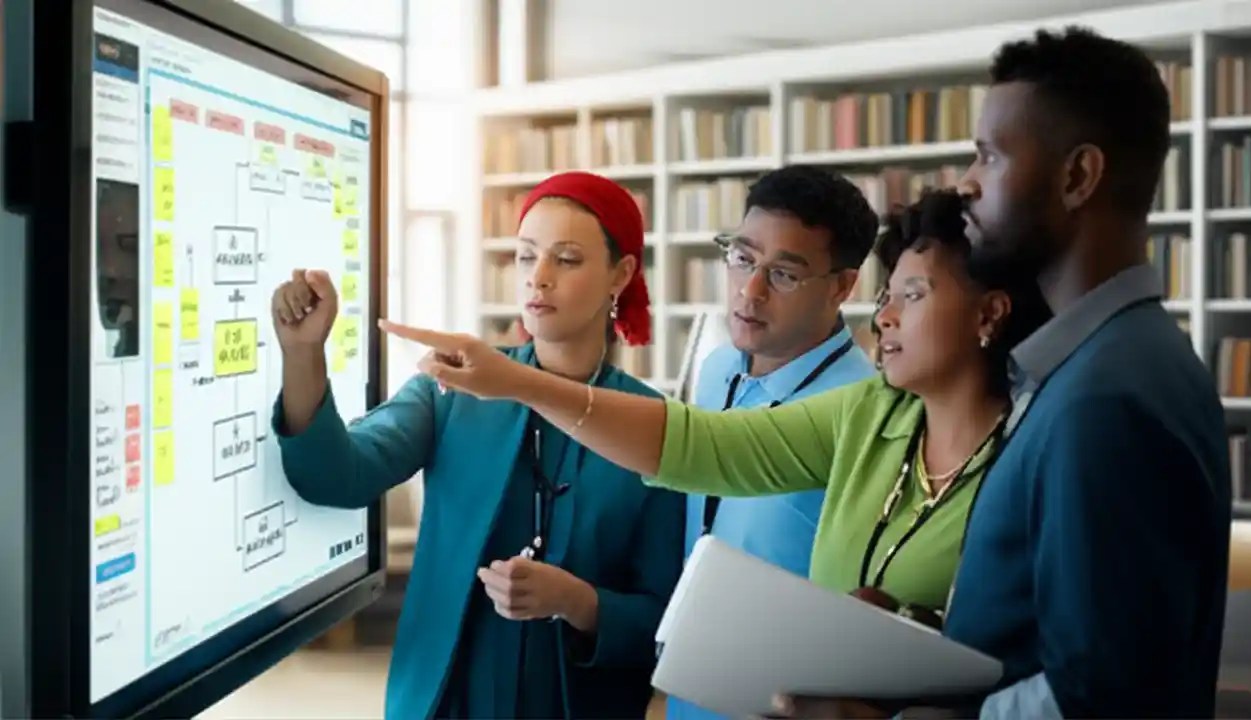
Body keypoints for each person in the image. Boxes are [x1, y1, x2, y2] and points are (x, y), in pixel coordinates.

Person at [379, 186, 1051, 658]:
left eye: (913, 295)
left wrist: (517, 382)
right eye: (740, 259)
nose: (886, 318)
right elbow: (698, 445)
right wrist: (520, 380)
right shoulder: (848, 406)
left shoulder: (1037, 452)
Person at [786, 26, 1235, 719]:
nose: (967, 183)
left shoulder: (1107, 395)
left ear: (1077, 176)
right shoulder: (1104, 364)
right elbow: (1074, 637)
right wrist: (920, 635)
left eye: (990, 157)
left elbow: (1103, 694)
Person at [270, 171, 685, 720]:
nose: (538, 278)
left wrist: (577, 602)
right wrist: (303, 353)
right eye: (525, 255)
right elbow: (334, 475)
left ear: (621, 273)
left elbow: (666, 625)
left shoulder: (655, 427)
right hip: (441, 700)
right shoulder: (452, 387)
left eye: (566, 259)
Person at [667, 165, 880, 720]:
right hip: (689, 689)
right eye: (741, 259)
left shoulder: (865, 409)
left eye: (783, 274)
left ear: (843, 285)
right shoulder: (716, 370)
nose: (750, 290)